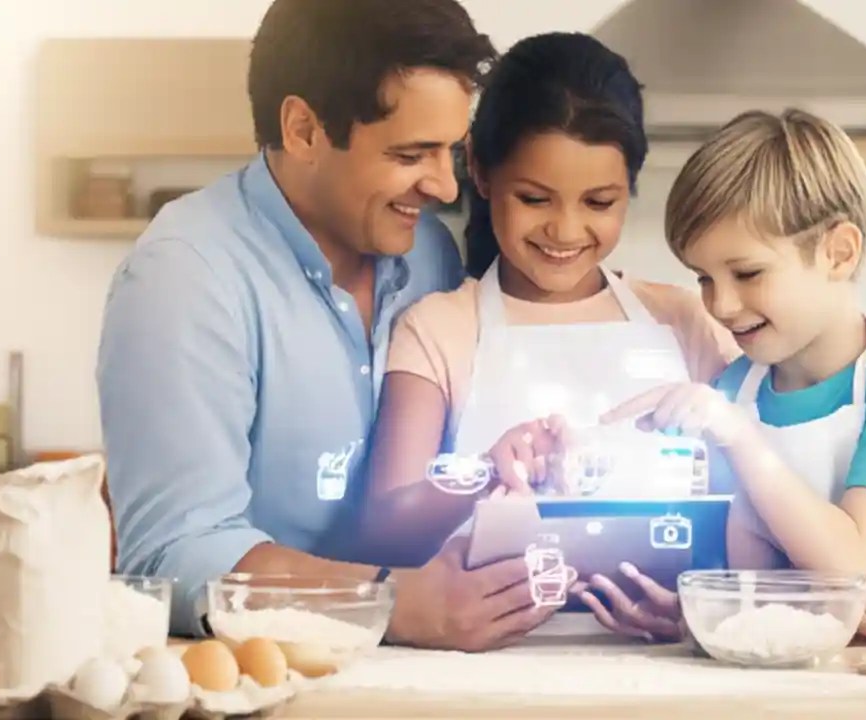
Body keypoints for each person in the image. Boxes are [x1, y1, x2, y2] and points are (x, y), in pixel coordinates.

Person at [95, 0, 544, 653]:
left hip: (435, 665)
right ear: (304, 129)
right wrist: (384, 600)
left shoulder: (429, 256)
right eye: (413, 153)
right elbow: (175, 553)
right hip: (261, 680)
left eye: (452, 151)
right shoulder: (184, 278)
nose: (446, 186)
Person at [359, 32, 739, 642]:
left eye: (599, 201)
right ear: (481, 173)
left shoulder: (687, 321)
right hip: (477, 666)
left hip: (658, 662)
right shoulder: (439, 329)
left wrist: (703, 605)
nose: (566, 229)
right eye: (534, 198)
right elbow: (384, 528)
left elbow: (756, 503)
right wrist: (484, 471)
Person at [601, 108, 866, 641]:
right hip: (825, 676)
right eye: (703, 277)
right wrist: (703, 614)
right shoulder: (735, 392)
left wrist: (741, 439)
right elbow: (755, 581)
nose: (720, 304)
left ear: (838, 253)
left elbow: (855, 560)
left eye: (748, 273)